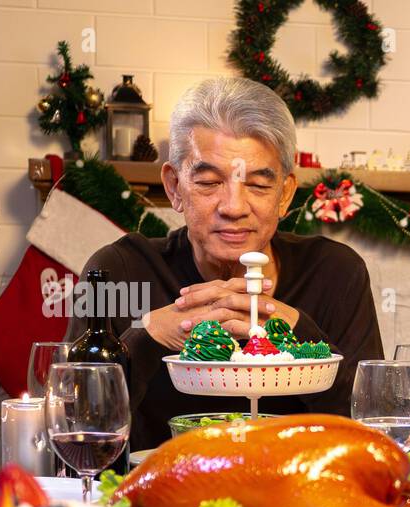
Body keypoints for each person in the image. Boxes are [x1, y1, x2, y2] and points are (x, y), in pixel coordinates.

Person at [70, 76, 383, 450]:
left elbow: (371, 429)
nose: (233, 207)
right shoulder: (117, 273)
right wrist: (146, 335)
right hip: (158, 499)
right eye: (209, 182)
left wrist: (301, 334)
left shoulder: (335, 273)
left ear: (284, 195)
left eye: (258, 185)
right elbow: (75, 431)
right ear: (174, 187)